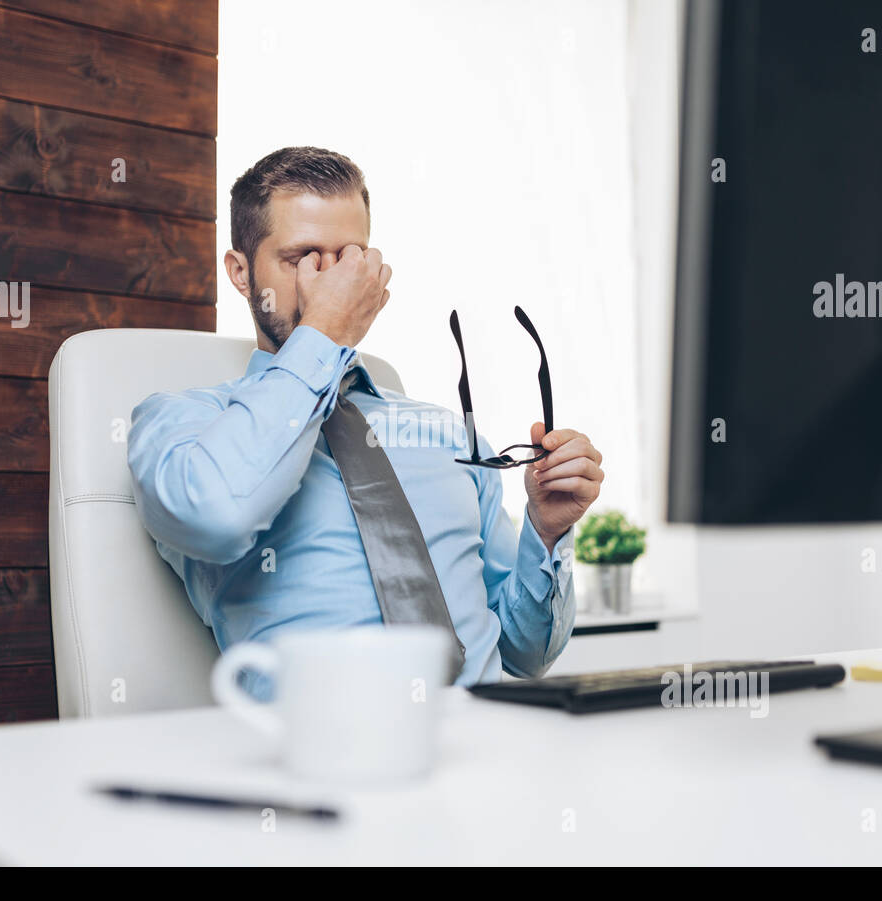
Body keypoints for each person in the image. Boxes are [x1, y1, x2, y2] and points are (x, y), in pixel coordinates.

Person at [127, 146, 604, 691]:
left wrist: (547, 532)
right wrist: (326, 331)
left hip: (489, 744)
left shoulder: (448, 433)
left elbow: (524, 655)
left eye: (348, 259)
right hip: (326, 756)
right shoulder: (183, 423)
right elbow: (216, 517)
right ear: (240, 272)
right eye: (301, 258)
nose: (329, 283)